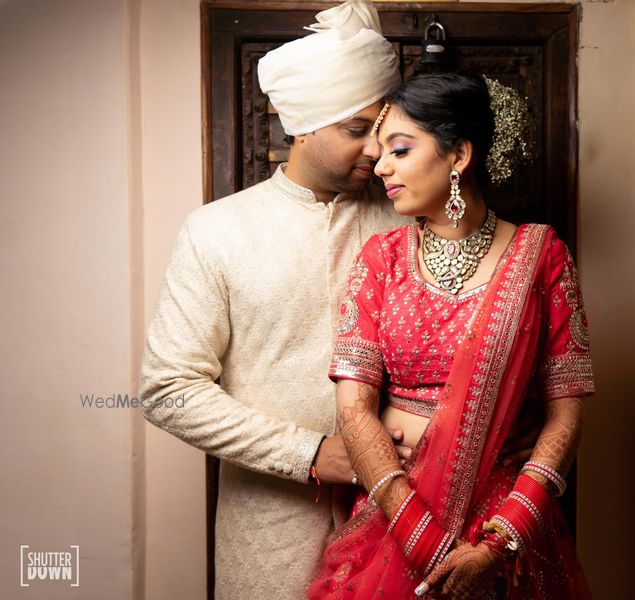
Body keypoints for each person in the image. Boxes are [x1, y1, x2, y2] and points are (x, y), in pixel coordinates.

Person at [138, 2, 408, 598]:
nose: (375, 152)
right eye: (357, 130)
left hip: (406, 520)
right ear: (301, 125)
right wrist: (311, 453)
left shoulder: (409, 221)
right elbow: (168, 390)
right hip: (270, 534)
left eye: (385, 133)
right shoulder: (218, 231)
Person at [308, 73, 596, 599]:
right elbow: (354, 409)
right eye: (381, 152)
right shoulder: (380, 260)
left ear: (458, 154)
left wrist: (500, 541)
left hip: (506, 524)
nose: (381, 166)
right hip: (396, 513)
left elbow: (567, 412)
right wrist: (421, 537)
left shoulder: (542, 256)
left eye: (399, 149)